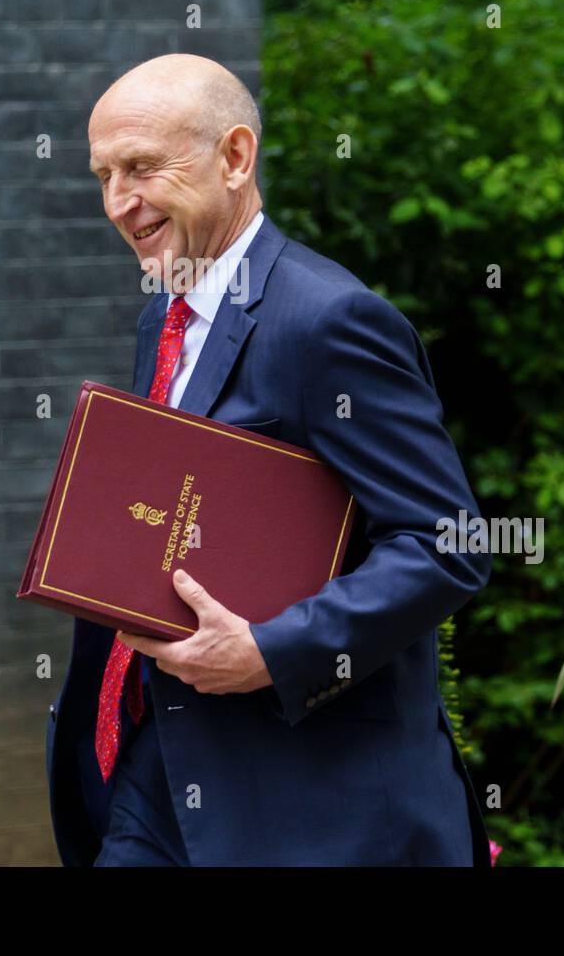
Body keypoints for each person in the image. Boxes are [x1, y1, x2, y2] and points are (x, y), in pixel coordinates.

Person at [45, 53, 492, 866]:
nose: (119, 202)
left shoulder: (330, 320)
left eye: (142, 166)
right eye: (104, 174)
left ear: (236, 157)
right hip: (160, 777)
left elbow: (446, 544)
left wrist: (271, 652)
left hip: (314, 807)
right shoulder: (164, 317)